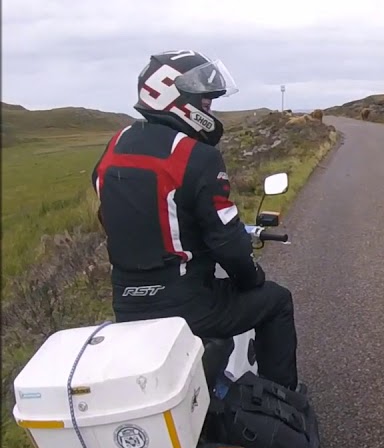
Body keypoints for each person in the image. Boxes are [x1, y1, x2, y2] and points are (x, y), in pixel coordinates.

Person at [91, 50, 301, 391]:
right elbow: (228, 243)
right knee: (276, 300)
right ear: (178, 98)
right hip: (187, 304)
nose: (209, 107)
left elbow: (115, 211)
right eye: (204, 100)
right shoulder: (195, 155)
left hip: (126, 303)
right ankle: (285, 397)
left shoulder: (115, 144)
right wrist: (251, 277)